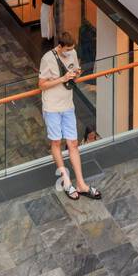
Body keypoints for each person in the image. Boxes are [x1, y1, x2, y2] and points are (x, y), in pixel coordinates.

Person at [39, 33, 101, 201]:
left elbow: (74, 73)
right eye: (67, 50)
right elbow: (42, 84)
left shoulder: (72, 53)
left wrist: (76, 74)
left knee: (73, 143)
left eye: (72, 49)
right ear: (60, 47)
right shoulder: (47, 58)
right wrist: (62, 79)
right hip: (52, 107)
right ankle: (66, 182)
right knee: (57, 142)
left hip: (68, 105)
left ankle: (81, 184)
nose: (70, 52)